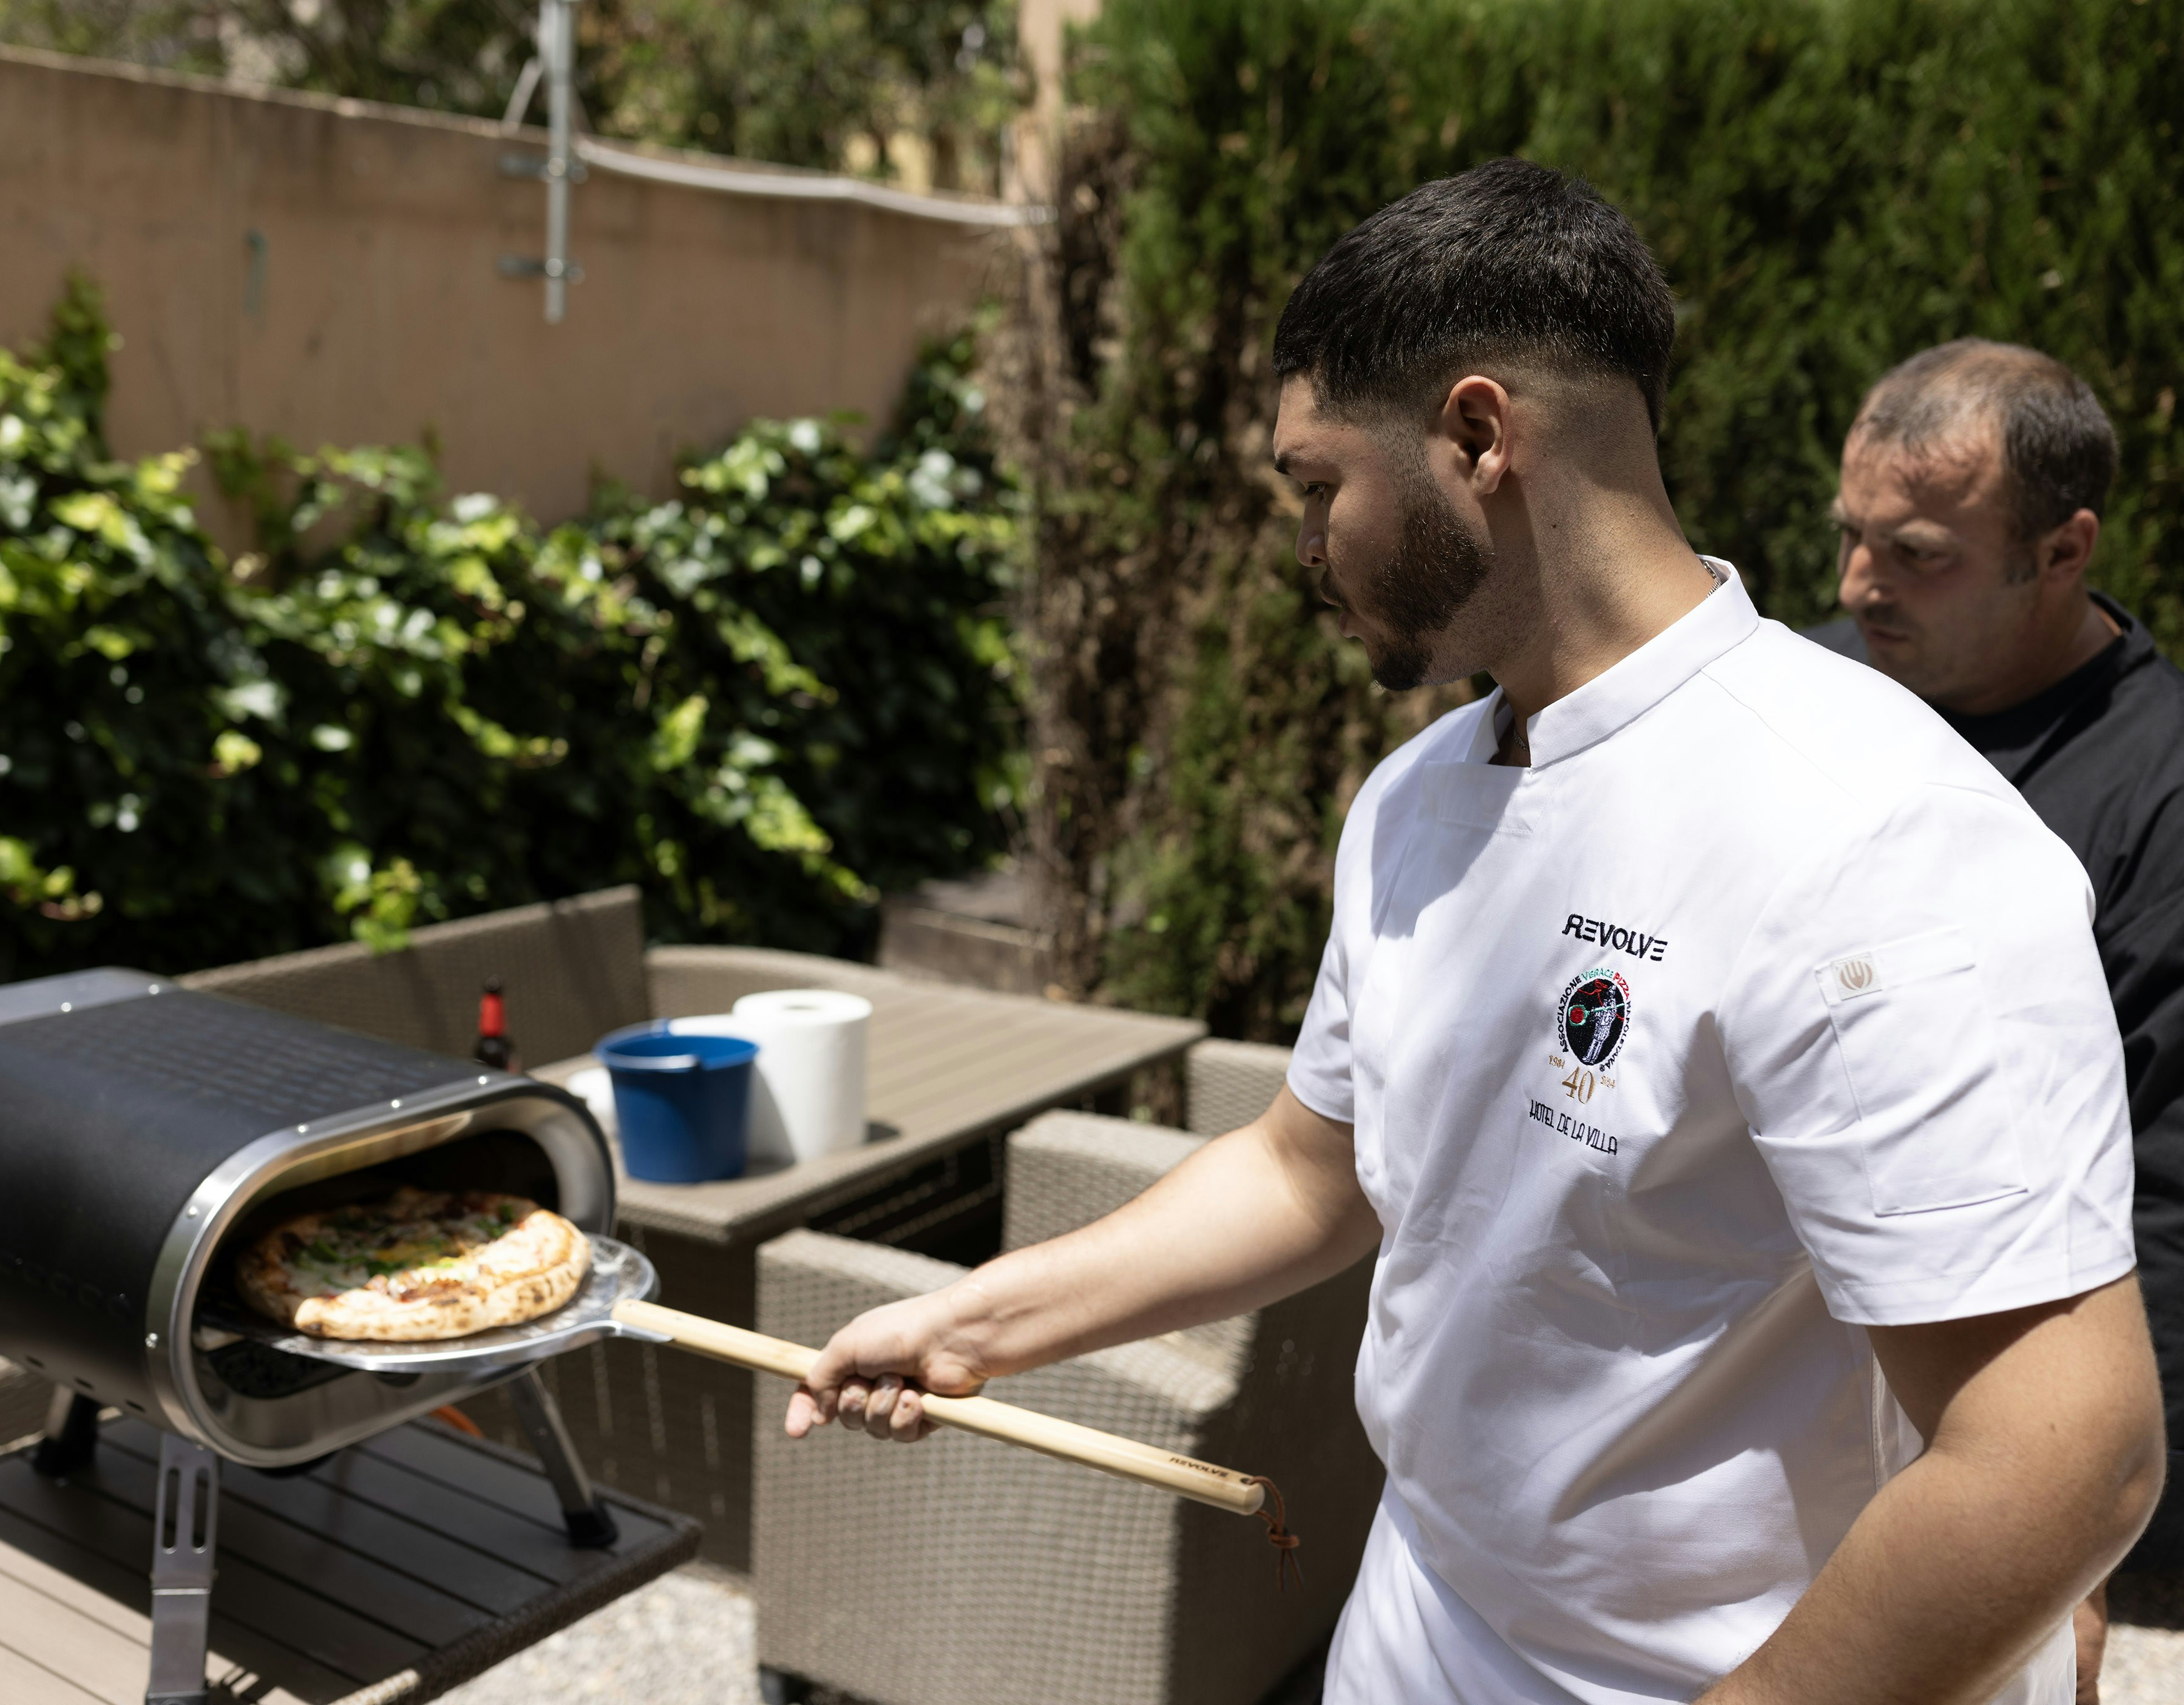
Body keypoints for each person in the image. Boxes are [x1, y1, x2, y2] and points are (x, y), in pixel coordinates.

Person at [783, 159, 2165, 1704]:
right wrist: (976, 1319)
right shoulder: (1417, 796)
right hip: (1422, 1625)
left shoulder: (1870, 832)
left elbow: (2057, 1460)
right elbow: (1308, 1168)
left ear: (1474, 436)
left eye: (1318, 486)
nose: (1304, 546)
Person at [1811, 338, 2184, 1693]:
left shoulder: (2156, 801)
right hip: (1771, 1427)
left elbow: (2162, 1191)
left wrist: (2085, 1547)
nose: (1859, 586)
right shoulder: (1800, 702)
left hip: (2006, 1442)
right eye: (1849, 537)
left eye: (1915, 554)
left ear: (2062, 549)